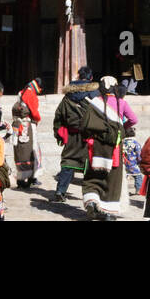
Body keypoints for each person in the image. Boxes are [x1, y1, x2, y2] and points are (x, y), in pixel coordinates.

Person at [80, 75, 128, 219]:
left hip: (95, 148)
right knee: (112, 179)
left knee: (93, 177)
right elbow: (133, 119)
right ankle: (108, 212)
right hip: (114, 147)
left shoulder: (94, 103)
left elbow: (84, 126)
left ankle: (92, 201)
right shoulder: (121, 103)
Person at [52, 65, 98, 200]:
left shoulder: (68, 96)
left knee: (68, 162)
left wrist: (58, 134)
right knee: (90, 165)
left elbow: (59, 115)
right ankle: (90, 196)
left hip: (72, 136)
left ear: (78, 76)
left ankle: (60, 191)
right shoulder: (95, 95)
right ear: (91, 78)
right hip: (90, 136)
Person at [12, 78, 43, 189]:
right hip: (28, 126)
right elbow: (34, 112)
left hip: (19, 126)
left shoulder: (22, 92)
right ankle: (31, 178)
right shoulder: (31, 94)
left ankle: (22, 178)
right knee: (30, 151)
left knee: (21, 151)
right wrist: (38, 119)